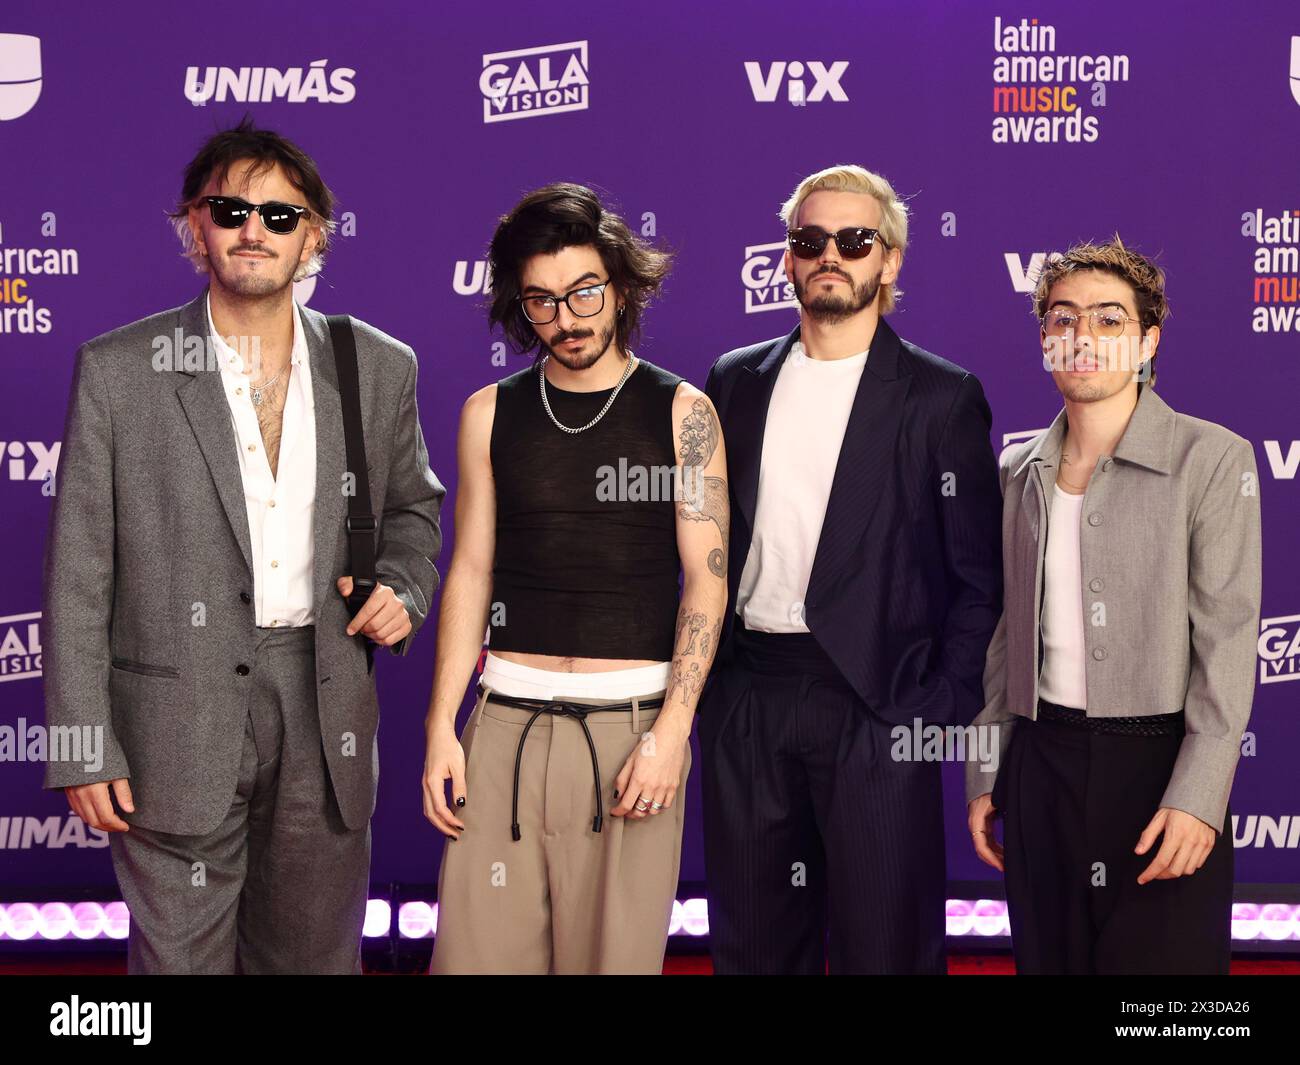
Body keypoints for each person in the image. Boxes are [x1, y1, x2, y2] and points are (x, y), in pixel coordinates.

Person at [41, 117, 446, 974]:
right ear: (195, 224)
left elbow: (414, 511)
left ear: (315, 236)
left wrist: (403, 589)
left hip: (324, 692)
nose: (252, 230)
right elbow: (79, 571)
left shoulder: (377, 365)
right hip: (170, 715)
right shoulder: (119, 370)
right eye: (230, 210)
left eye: (279, 214)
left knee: (311, 957)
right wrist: (82, 741)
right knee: (180, 962)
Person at [699, 164, 1003, 974]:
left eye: (854, 239)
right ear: (788, 258)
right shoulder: (734, 381)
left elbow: (979, 580)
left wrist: (933, 709)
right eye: (809, 239)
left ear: (891, 258)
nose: (830, 254)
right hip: (750, 695)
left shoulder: (941, 397)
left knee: (887, 947)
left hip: (878, 703)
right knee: (755, 946)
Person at [422, 183, 729, 974]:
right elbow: (471, 568)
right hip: (501, 728)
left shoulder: (683, 411)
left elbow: (706, 578)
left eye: (585, 290)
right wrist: (440, 727)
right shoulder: (489, 411)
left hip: (632, 732)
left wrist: (673, 729)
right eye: (543, 301)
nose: (569, 317)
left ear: (620, 287)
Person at [966, 236, 1261, 974]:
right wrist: (984, 771)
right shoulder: (1017, 469)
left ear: (1147, 340)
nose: (1083, 339)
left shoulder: (1213, 459)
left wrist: (1199, 797)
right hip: (1040, 766)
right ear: (1044, 340)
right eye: (1063, 320)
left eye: (1107, 320)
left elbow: (1226, 641)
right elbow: (1007, 634)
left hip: (1159, 767)